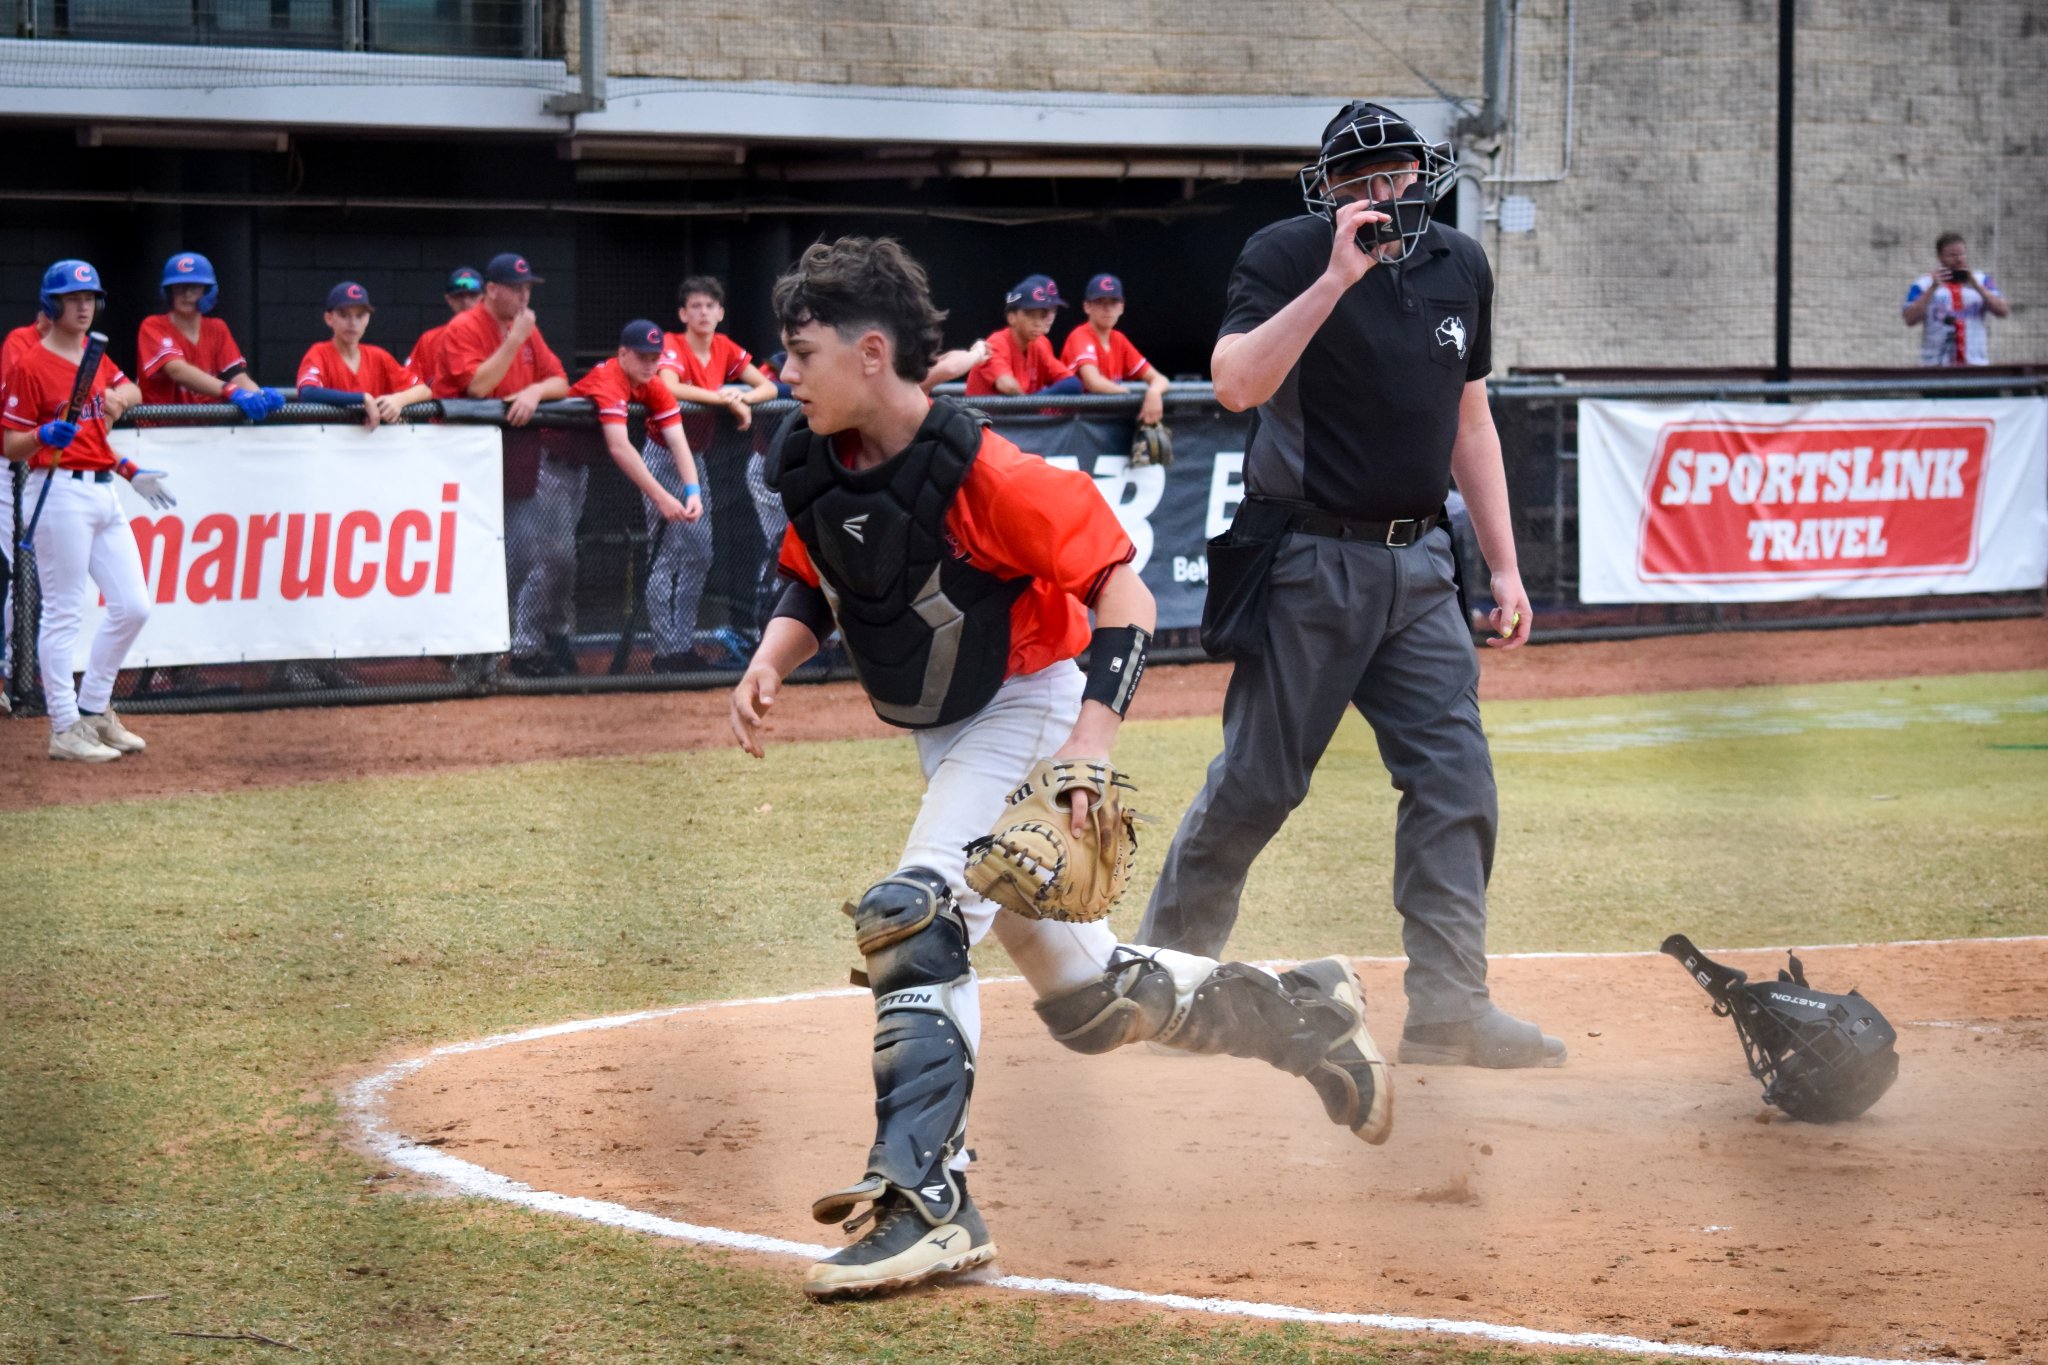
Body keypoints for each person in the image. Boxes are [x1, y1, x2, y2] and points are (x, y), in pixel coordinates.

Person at [730, 235, 1393, 1302]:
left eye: (799, 351)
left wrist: (1089, 741)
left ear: (867, 353)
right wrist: (770, 658)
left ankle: (926, 1199)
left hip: (1031, 705)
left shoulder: (991, 473)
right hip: (947, 731)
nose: (783, 371)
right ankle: (1306, 1013)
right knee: (1089, 1001)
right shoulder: (812, 461)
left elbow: (1124, 599)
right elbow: (815, 580)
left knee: (913, 914)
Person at [1136, 101, 1561, 1071]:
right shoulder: (1286, 254)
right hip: (1307, 560)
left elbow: (1470, 423)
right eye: (1357, 177)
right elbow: (1235, 382)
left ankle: (1451, 1009)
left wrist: (1500, 565)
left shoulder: (1459, 264)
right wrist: (1336, 276)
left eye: (1398, 170)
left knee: (1455, 780)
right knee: (1256, 784)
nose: (1382, 191)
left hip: (1421, 567)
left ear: (1422, 172)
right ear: (1325, 190)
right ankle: (1168, 983)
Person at [1, 261, 175, 762]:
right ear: (52, 303)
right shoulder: (28, 363)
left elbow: (127, 394)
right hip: (54, 489)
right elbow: (12, 443)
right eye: (73, 297)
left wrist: (126, 457)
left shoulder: (94, 356)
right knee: (63, 613)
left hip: (102, 488)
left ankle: (94, 708)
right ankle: (63, 727)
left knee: (134, 606)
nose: (83, 305)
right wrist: (40, 436)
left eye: (90, 297)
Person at [433, 252, 574, 677]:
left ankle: (489, 652)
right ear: (491, 290)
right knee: (471, 559)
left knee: (521, 555)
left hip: (517, 460)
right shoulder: (465, 327)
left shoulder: (526, 328)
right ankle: (464, 652)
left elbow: (560, 381)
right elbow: (478, 386)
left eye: (527, 287)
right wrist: (514, 341)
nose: (524, 295)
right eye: (516, 288)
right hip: (468, 463)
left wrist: (532, 393)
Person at [640, 277, 778, 670]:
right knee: (667, 555)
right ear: (683, 314)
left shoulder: (724, 347)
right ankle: (667, 651)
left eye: (709, 306)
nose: (703, 313)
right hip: (661, 456)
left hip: (696, 458)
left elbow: (767, 387)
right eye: (695, 306)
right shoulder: (672, 343)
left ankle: (682, 645)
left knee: (699, 553)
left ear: (720, 312)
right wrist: (724, 399)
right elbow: (668, 387)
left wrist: (743, 397)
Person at [571, 319, 704, 646]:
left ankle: (550, 646)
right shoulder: (609, 378)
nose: (650, 364)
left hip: (579, 467)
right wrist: (661, 496)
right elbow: (619, 445)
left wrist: (693, 490)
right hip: (550, 461)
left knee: (557, 561)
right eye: (642, 356)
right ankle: (530, 648)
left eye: (654, 357)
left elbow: (677, 441)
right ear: (622, 353)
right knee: (551, 560)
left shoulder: (652, 384)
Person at [136, 252, 285, 420]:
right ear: (169, 291)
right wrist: (231, 391)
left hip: (205, 431)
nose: (187, 294)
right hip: (159, 433)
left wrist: (258, 394)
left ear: (207, 291)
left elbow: (236, 376)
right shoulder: (153, 325)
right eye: (179, 287)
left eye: (195, 287)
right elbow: (177, 370)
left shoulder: (217, 328)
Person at [296, 282, 432, 428]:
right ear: (329, 318)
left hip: (371, 446)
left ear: (368, 319)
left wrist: (398, 400)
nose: (353, 323)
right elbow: (308, 392)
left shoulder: (378, 356)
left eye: (360, 316)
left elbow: (424, 390)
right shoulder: (319, 352)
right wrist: (362, 399)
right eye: (344, 315)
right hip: (328, 445)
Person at [1060, 274, 1170, 426]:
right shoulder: (1080, 335)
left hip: (1101, 423)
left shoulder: (1118, 339)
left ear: (1122, 307)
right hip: (1071, 424)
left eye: (1113, 302)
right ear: (1087, 306)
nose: (1107, 308)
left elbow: (1160, 379)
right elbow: (1094, 382)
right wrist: (1128, 396)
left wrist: (1154, 393)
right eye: (1100, 302)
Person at [963, 275, 1084, 397]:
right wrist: (1031, 405)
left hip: (1015, 414)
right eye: (1030, 315)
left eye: (1042, 316)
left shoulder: (1040, 345)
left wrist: (1035, 402)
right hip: (982, 415)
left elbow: (1072, 383)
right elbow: (1006, 385)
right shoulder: (996, 342)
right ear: (1011, 317)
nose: (1037, 323)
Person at [1903, 233, 2010, 367]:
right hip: (1936, 366)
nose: (1959, 260)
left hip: (1975, 365)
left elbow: (2003, 311)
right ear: (1940, 257)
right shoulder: (1923, 283)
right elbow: (1909, 319)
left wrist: (1977, 286)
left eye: (1962, 254)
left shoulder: (1982, 280)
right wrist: (1932, 288)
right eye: (1952, 255)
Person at [405, 266, 484, 393]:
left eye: (472, 295)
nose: (466, 302)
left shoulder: (495, 334)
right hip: (441, 411)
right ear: (449, 300)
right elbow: (408, 381)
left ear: (483, 298)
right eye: (459, 296)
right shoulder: (429, 340)